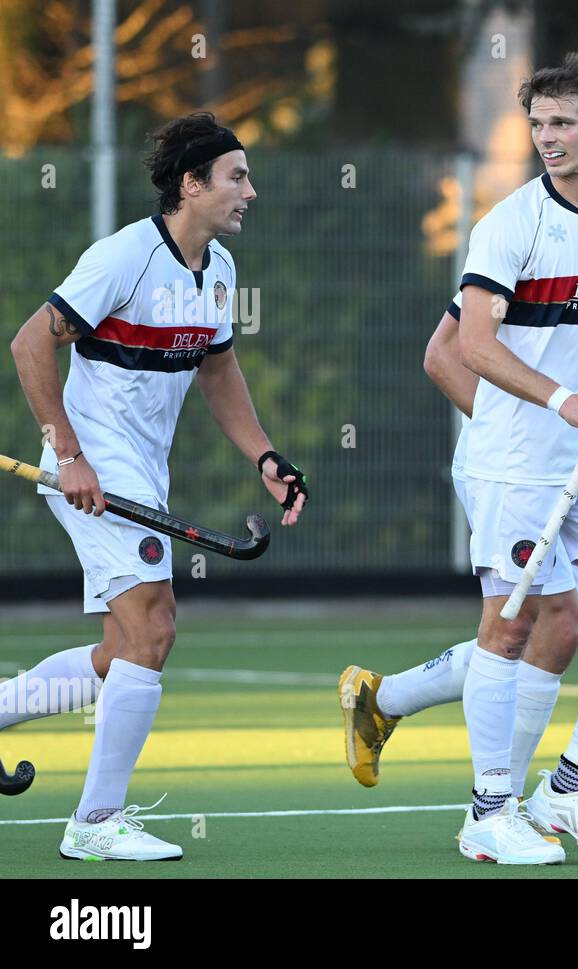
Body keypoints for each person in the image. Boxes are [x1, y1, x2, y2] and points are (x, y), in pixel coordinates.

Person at [337, 111, 578, 836]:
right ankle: (496, 806)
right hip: (521, 465)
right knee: (530, 625)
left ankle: (403, 716)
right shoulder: (528, 231)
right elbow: (445, 353)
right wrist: (521, 424)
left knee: (560, 630)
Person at [3, 112, 309, 861]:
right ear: (191, 184)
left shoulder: (221, 272)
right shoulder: (125, 257)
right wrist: (67, 452)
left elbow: (218, 369)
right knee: (155, 630)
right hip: (97, 470)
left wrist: (265, 457)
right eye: (236, 177)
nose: (250, 191)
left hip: (141, 470)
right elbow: (31, 341)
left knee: (123, 646)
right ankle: (95, 823)